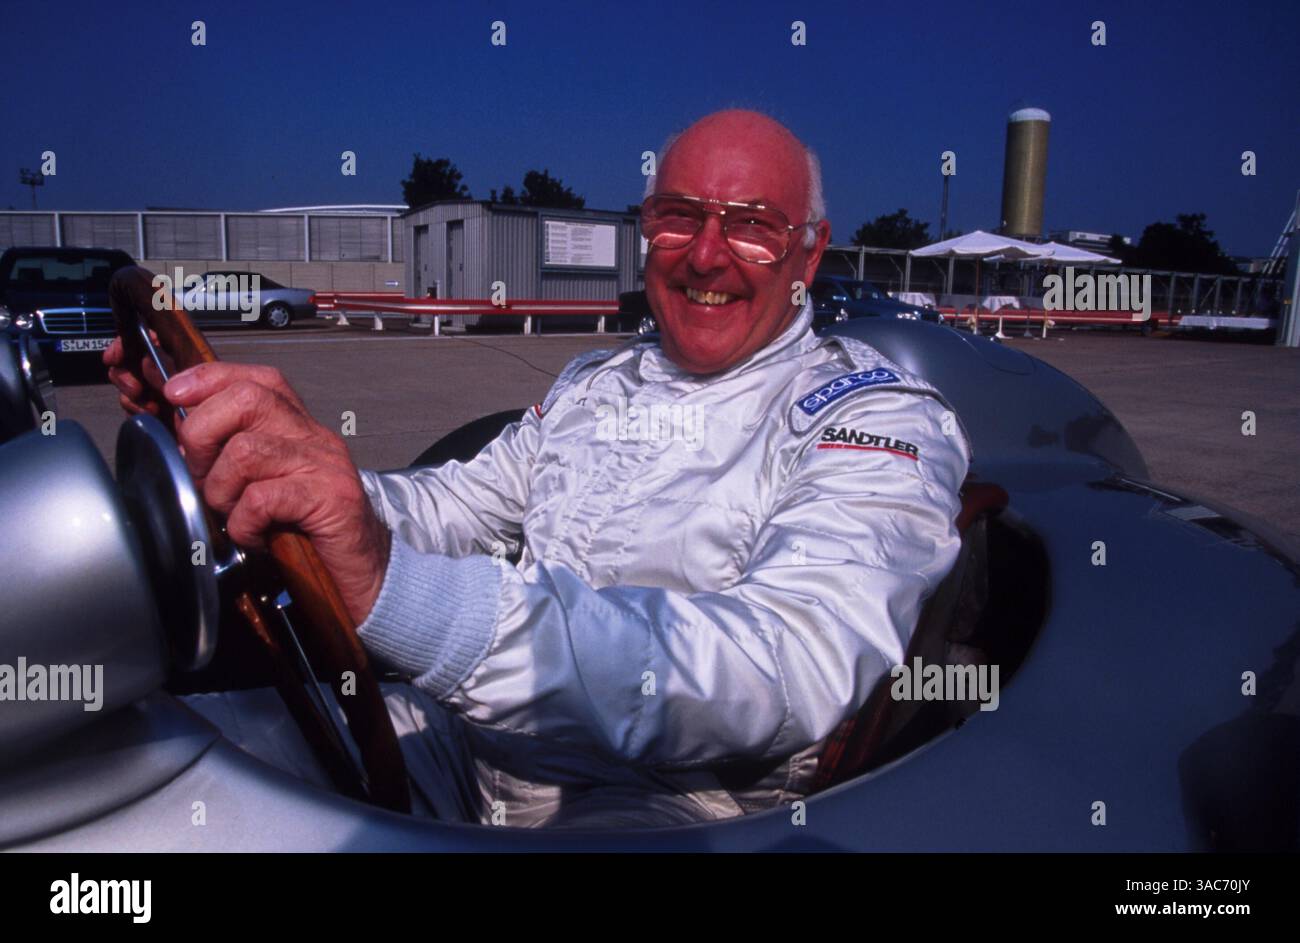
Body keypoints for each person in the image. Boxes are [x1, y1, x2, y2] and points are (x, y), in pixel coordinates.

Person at [105, 109, 971, 828]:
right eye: (679, 216)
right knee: (137, 771)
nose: (706, 256)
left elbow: (780, 667)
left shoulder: (873, 416)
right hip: (472, 748)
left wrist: (414, 604)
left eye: (751, 227)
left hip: (668, 806)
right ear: (645, 231)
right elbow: (454, 506)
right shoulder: (597, 385)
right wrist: (287, 474)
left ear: (808, 255)